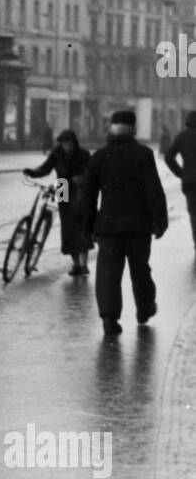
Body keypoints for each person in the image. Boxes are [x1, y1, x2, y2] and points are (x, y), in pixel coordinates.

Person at [82, 109, 168, 337]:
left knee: (108, 273)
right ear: (134, 129)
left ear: (111, 128)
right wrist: (160, 219)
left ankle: (109, 317)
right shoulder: (143, 154)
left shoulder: (99, 156)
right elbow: (154, 190)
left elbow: (87, 195)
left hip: (108, 226)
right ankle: (145, 308)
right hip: (138, 225)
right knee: (140, 270)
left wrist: (86, 227)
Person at [23, 128, 92, 275]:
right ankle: (76, 264)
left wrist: (82, 178)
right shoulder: (57, 153)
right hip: (62, 186)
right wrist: (33, 173)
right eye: (63, 143)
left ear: (74, 142)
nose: (66, 146)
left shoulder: (84, 154)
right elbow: (46, 168)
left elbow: (91, 173)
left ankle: (84, 264)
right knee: (67, 227)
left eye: (69, 143)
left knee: (80, 226)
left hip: (79, 188)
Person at [164, 109, 196, 253]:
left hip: (190, 182)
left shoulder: (182, 137)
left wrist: (181, 174)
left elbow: (168, 157)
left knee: (194, 215)